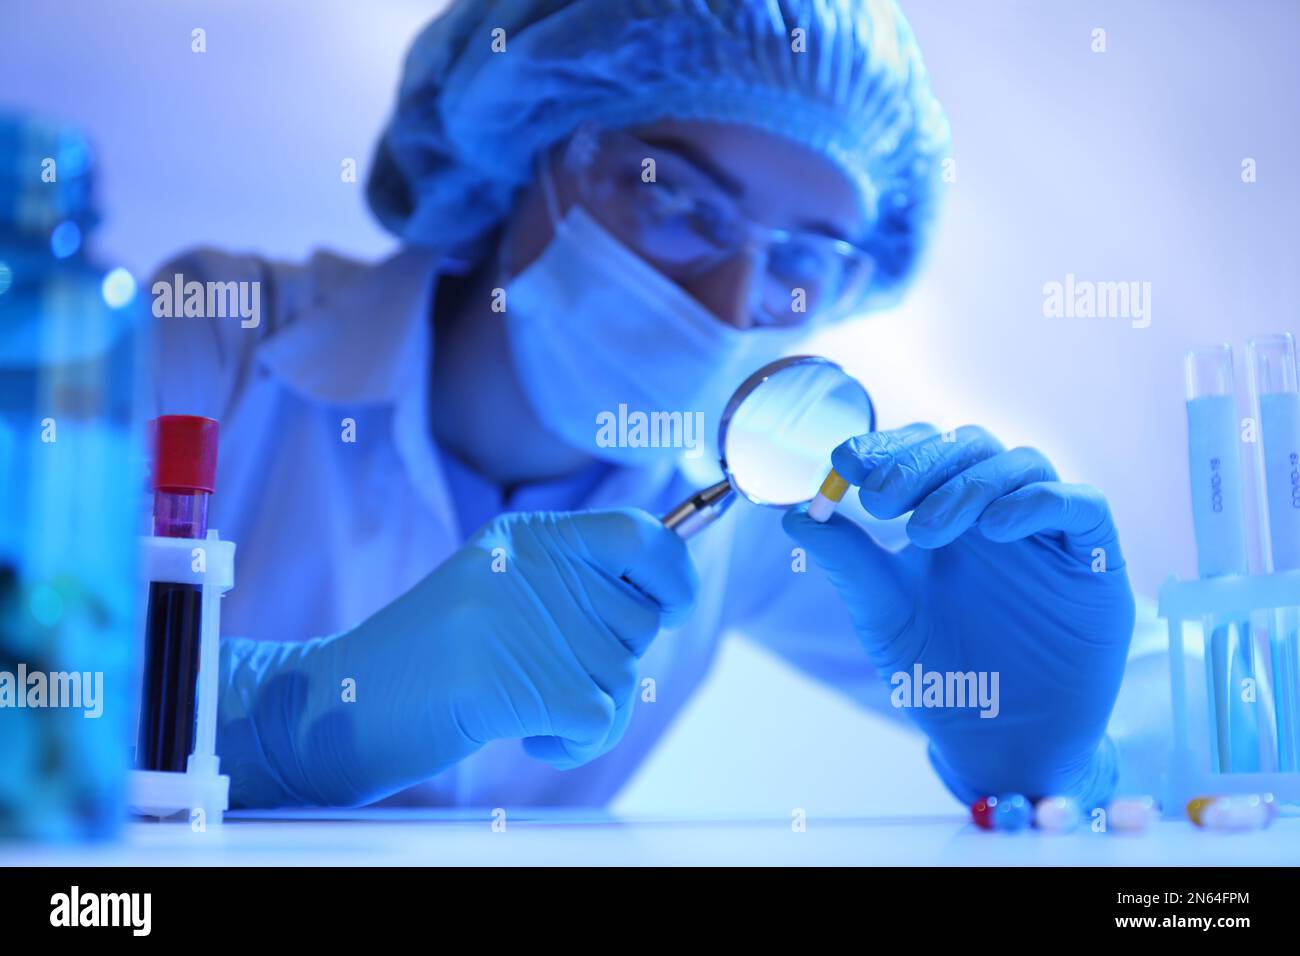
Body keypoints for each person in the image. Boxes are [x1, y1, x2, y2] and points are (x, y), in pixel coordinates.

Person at [152, 0, 1167, 810]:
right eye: (674, 197)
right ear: (538, 141)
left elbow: (1207, 724)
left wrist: (1053, 746)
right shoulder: (207, 346)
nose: (730, 304)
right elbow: (31, 687)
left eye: (802, 259)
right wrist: (297, 719)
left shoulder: (763, 513)